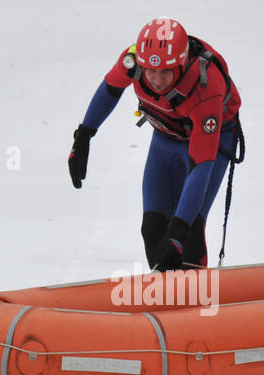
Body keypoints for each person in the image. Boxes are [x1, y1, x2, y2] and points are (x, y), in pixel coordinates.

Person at [68, 16, 242, 271]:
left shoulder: (206, 86)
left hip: (211, 140)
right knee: (153, 229)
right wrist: (83, 137)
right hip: (165, 137)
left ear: (181, 65)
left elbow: (201, 166)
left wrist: (178, 233)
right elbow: (110, 89)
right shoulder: (132, 60)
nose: (157, 81)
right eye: (151, 71)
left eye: (165, 72)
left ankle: (198, 299)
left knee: (188, 231)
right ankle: (165, 297)